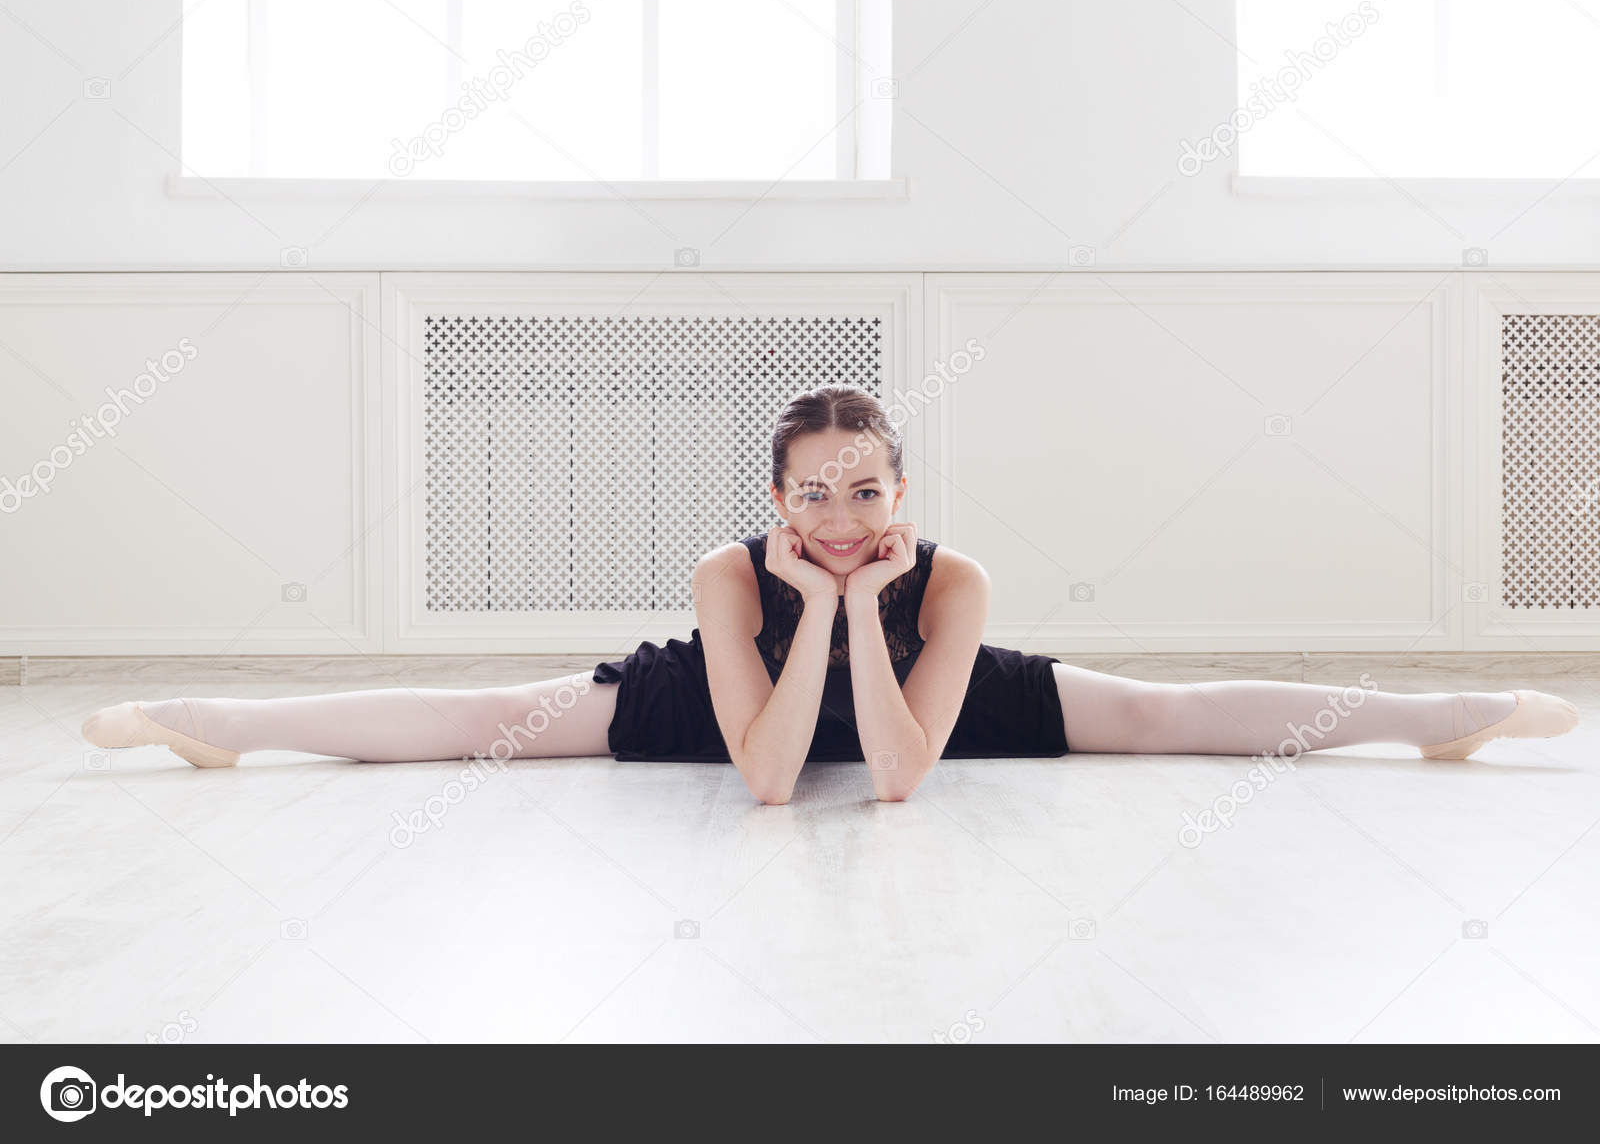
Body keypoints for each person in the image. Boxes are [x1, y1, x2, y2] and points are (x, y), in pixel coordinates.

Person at [82, 384, 1580, 805]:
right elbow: (772, 777)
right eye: (816, 494)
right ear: (778, 502)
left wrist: (868, 610)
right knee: (500, 715)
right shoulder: (727, 575)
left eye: (868, 492)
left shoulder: (955, 579)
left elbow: (901, 774)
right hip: (739, 698)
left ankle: (1437, 715)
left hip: (922, 691)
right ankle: (216, 722)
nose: (845, 517)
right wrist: (813, 609)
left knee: (1155, 711)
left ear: (901, 494)